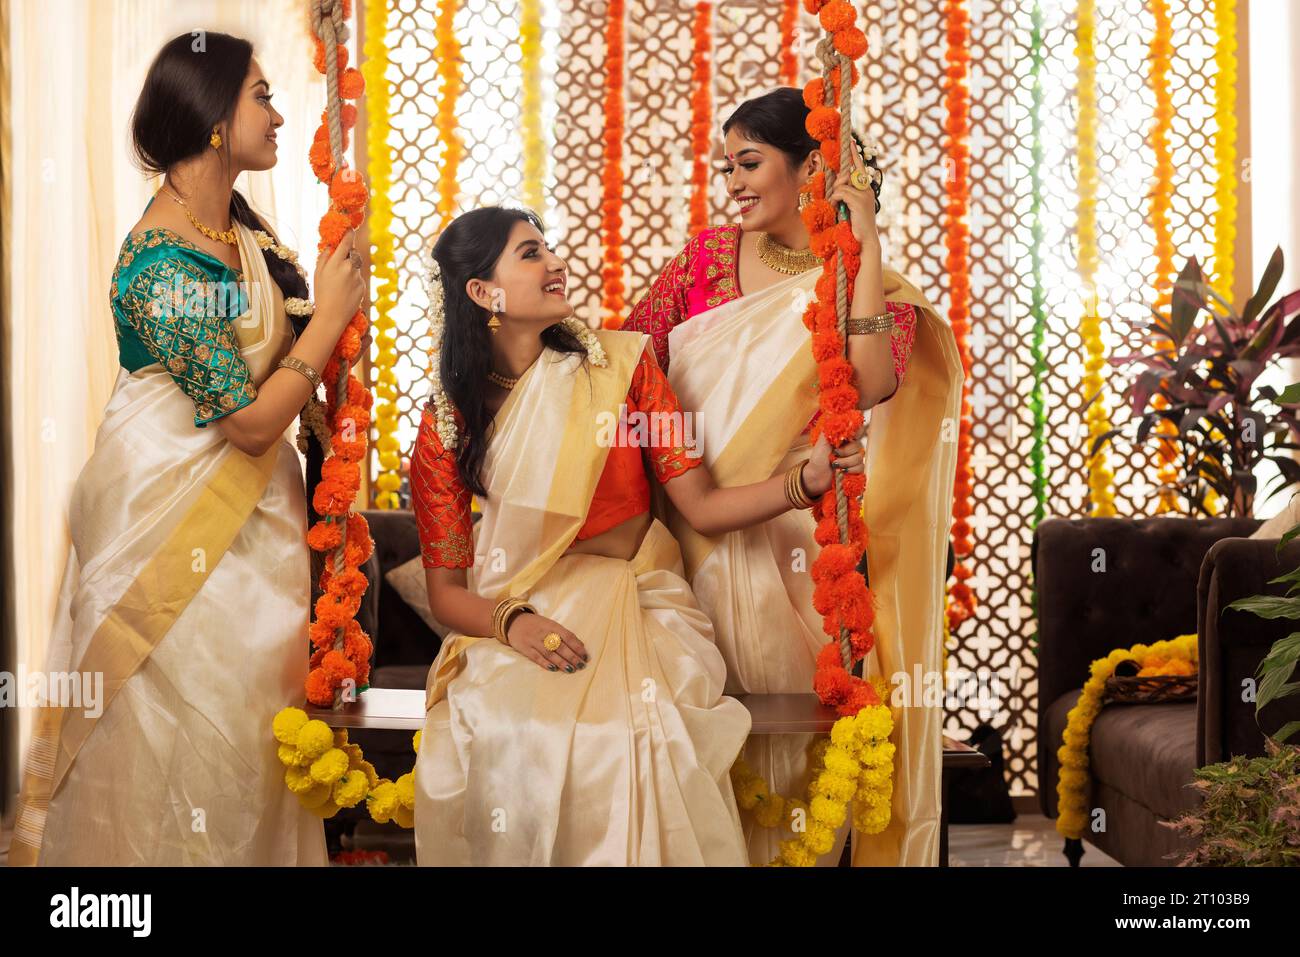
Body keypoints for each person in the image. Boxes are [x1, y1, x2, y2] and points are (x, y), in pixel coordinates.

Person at [409, 205, 865, 866]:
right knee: (504, 731)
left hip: (641, 600)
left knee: (632, 738)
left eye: (548, 247)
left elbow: (702, 505)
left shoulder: (623, 368)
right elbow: (448, 592)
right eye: (530, 254)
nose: (555, 262)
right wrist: (514, 624)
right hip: (522, 612)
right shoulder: (448, 422)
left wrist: (808, 481)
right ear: (483, 292)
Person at [9, 32, 366, 866]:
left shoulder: (241, 230)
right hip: (164, 526)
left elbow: (282, 377)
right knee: (174, 735)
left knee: (252, 740)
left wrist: (327, 318)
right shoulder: (159, 266)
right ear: (212, 116)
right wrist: (329, 319)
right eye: (261, 96)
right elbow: (246, 422)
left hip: (259, 533)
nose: (278, 116)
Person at [623, 87, 963, 866]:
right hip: (690, 533)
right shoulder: (703, 262)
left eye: (749, 163)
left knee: (793, 757)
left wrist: (862, 242)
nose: (733, 183)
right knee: (697, 746)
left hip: (802, 546)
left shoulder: (862, 281)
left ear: (812, 167)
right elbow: (629, 373)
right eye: (727, 168)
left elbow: (869, 381)